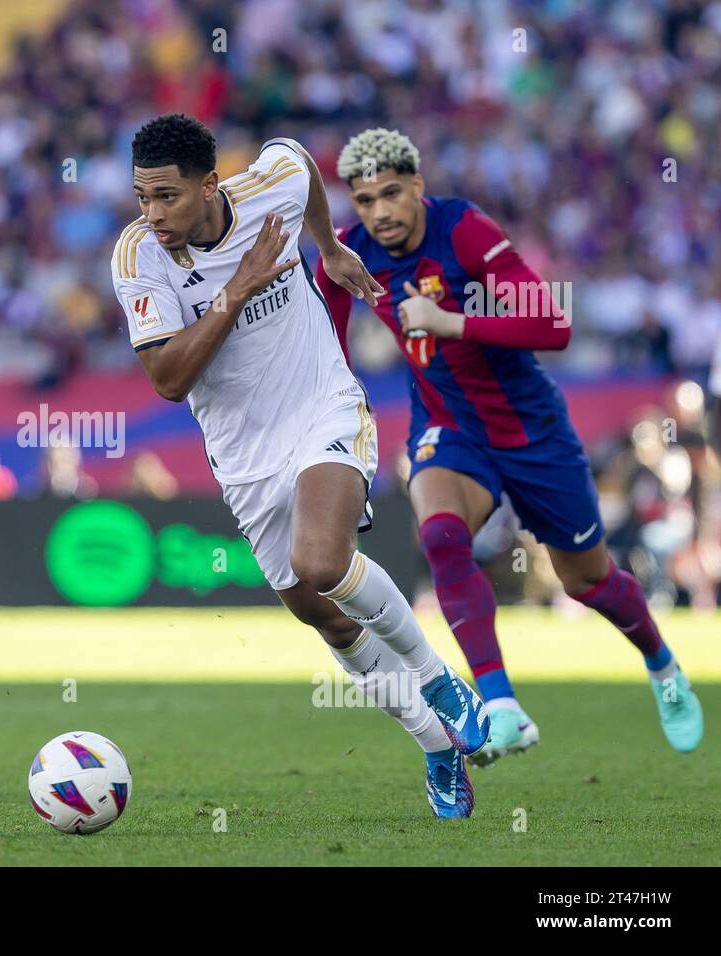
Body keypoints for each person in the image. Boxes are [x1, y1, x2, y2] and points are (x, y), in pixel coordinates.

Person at [112, 114, 489, 818]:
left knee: (322, 561)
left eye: (167, 196)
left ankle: (442, 683)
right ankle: (435, 744)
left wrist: (328, 247)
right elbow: (168, 378)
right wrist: (241, 286)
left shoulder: (272, 183)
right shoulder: (137, 257)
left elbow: (302, 169)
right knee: (325, 616)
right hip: (244, 454)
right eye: (142, 198)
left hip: (324, 403)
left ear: (210, 183)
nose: (153, 214)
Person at [317, 127, 704, 762]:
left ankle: (663, 666)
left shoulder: (463, 228)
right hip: (448, 428)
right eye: (364, 200)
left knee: (587, 581)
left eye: (392, 193)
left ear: (418, 187)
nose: (380, 212)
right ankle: (501, 705)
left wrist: (451, 322)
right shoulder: (352, 253)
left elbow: (553, 325)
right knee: (441, 537)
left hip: (530, 431)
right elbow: (326, 348)